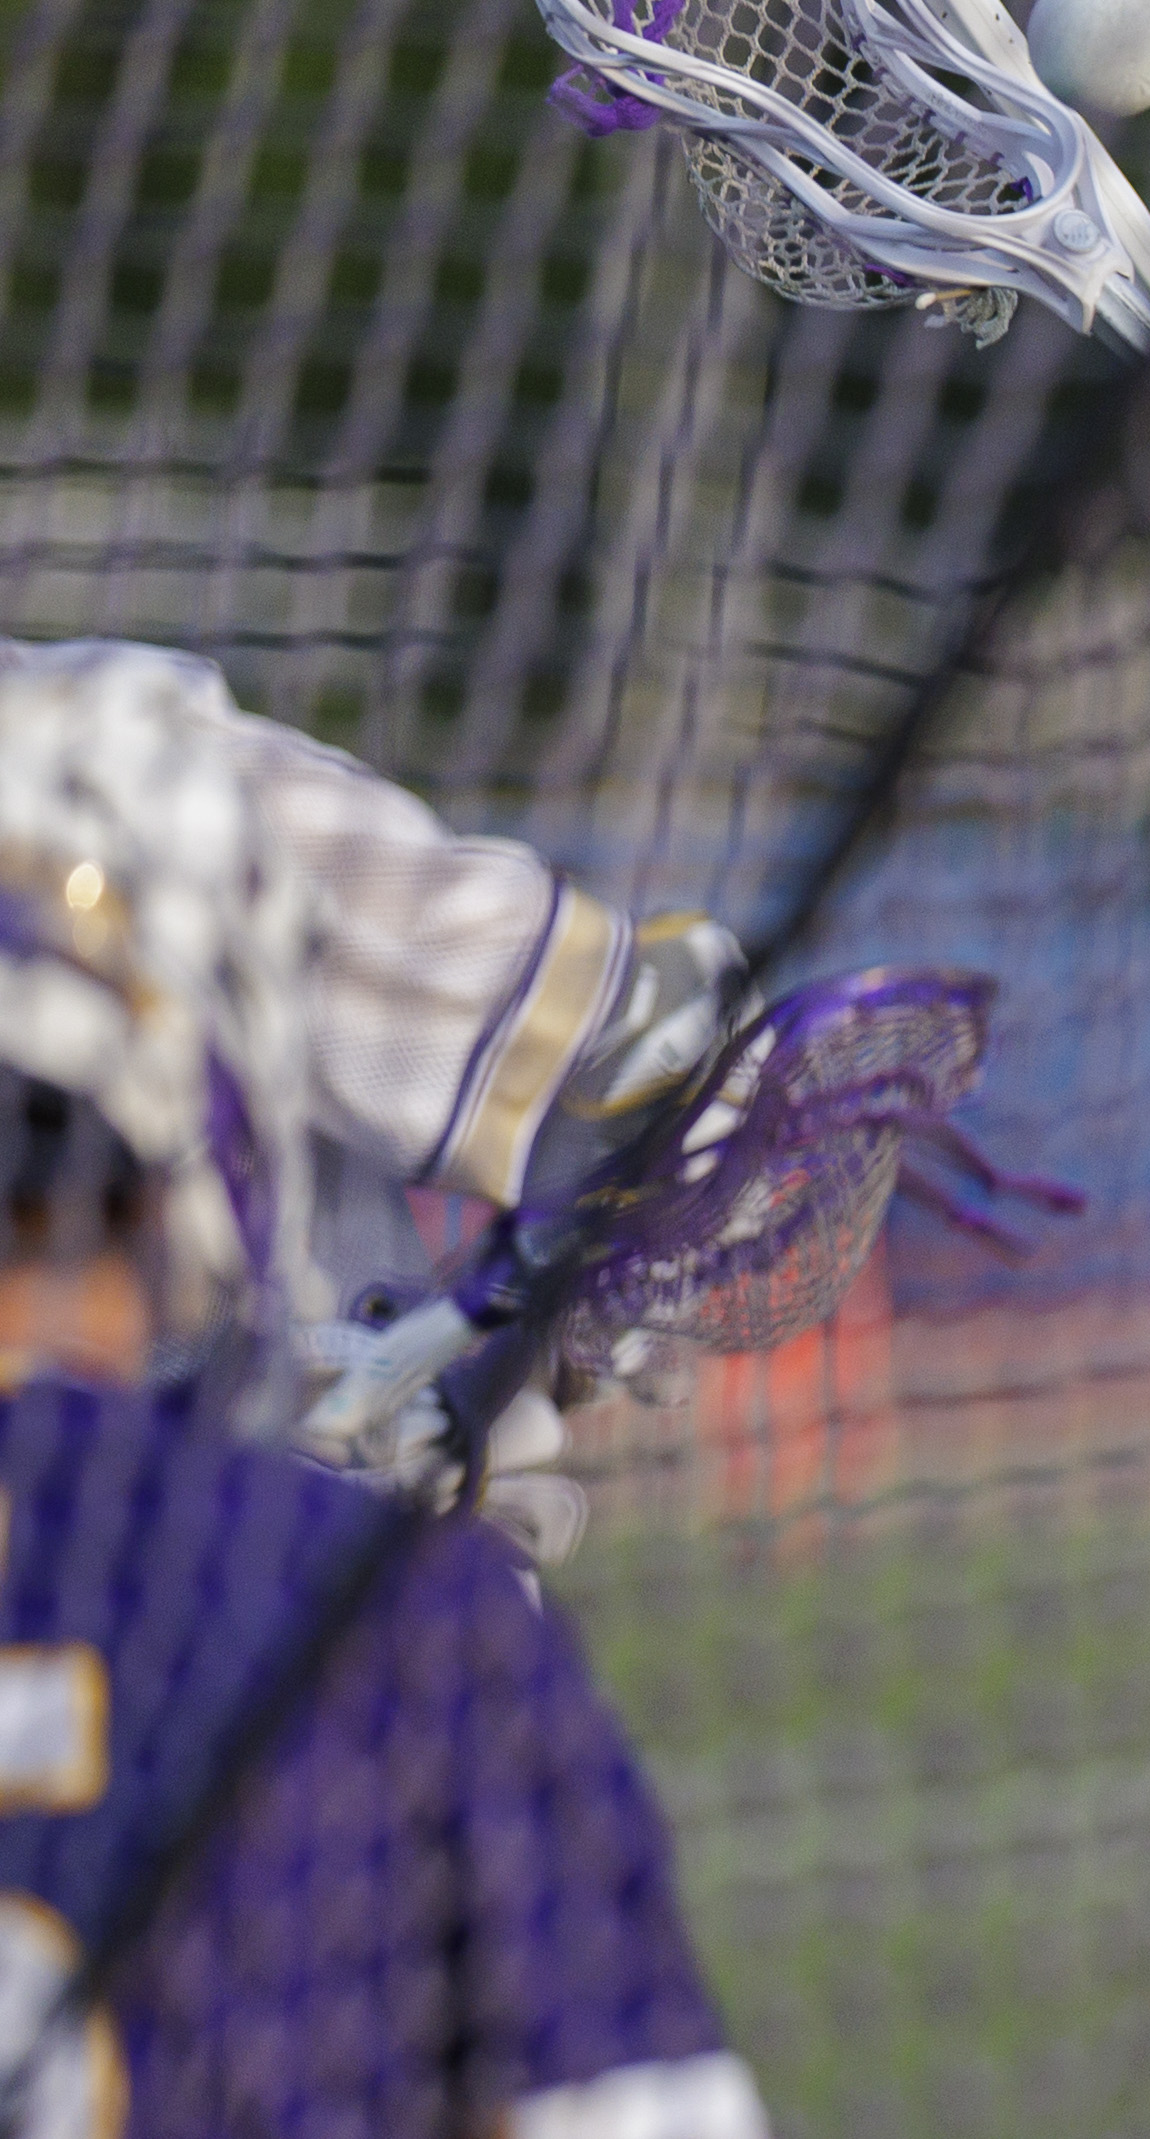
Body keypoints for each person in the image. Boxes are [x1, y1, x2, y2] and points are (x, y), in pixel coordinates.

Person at [0, 648, 767, 2137]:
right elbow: (698, 1081)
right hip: (320, 1747)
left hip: (300, 1740)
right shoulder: (112, 766)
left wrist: (435, 1368)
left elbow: (659, 1072)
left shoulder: (96, 767)